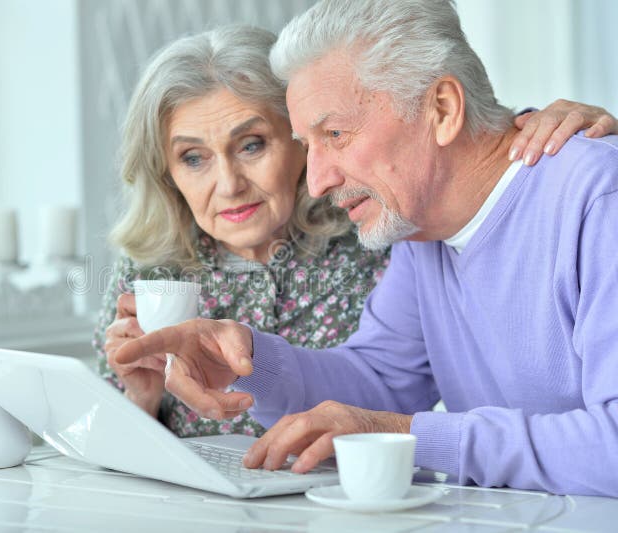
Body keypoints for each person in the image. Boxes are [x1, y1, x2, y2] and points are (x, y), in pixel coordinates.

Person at [114, 1, 618, 497]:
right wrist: (248, 361)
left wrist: (411, 437)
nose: (317, 180)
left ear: (442, 109)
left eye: (335, 134)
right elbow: (379, 382)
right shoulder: (421, 232)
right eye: (309, 145)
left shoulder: (598, 198)